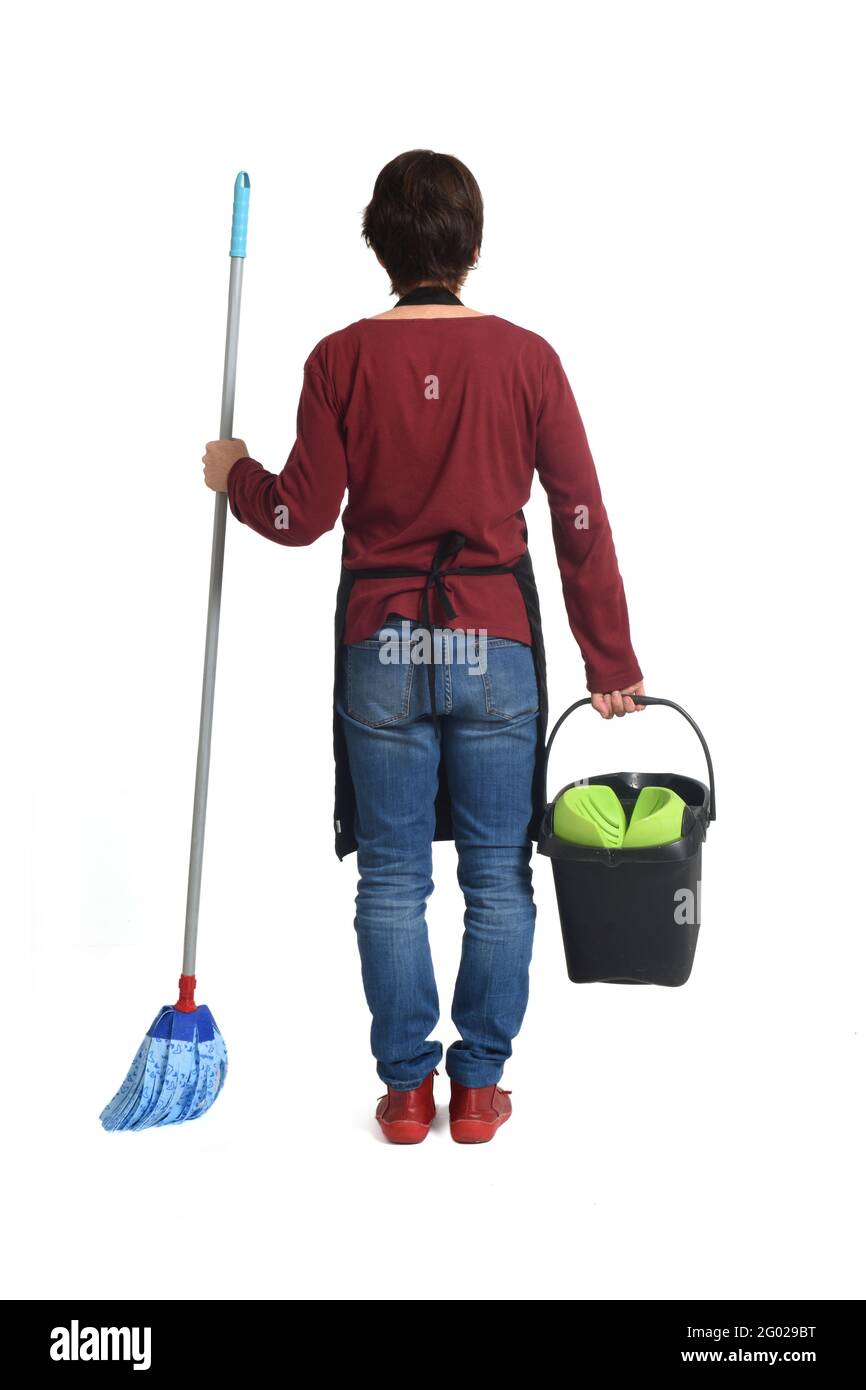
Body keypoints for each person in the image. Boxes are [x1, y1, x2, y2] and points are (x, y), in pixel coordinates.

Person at [203, 149, 644, 1145]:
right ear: (473, 247)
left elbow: (295, 513)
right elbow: (577, 511)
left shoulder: (339, 358)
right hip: (494, 649)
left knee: (392, 880)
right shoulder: (527, 359)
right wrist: (608, 660)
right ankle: (477, 1089)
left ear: (379, 247)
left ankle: (406, 1091)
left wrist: (234, 475)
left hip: (383, 649)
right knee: (497, 875)